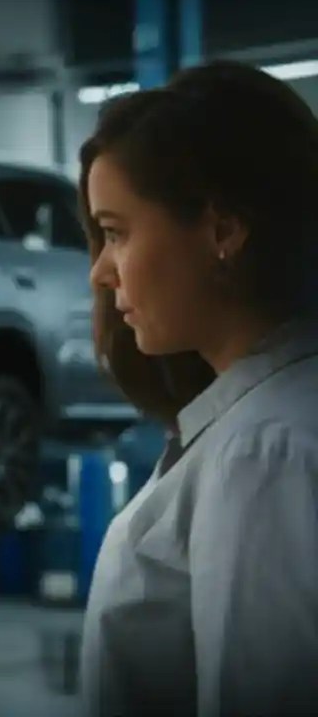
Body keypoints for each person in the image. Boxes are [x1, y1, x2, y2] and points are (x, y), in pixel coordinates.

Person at [79, 60, 318, 716]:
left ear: (222, 231)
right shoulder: (266, 420)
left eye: (116, 232)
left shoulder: (262, 451)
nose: (102, 270)